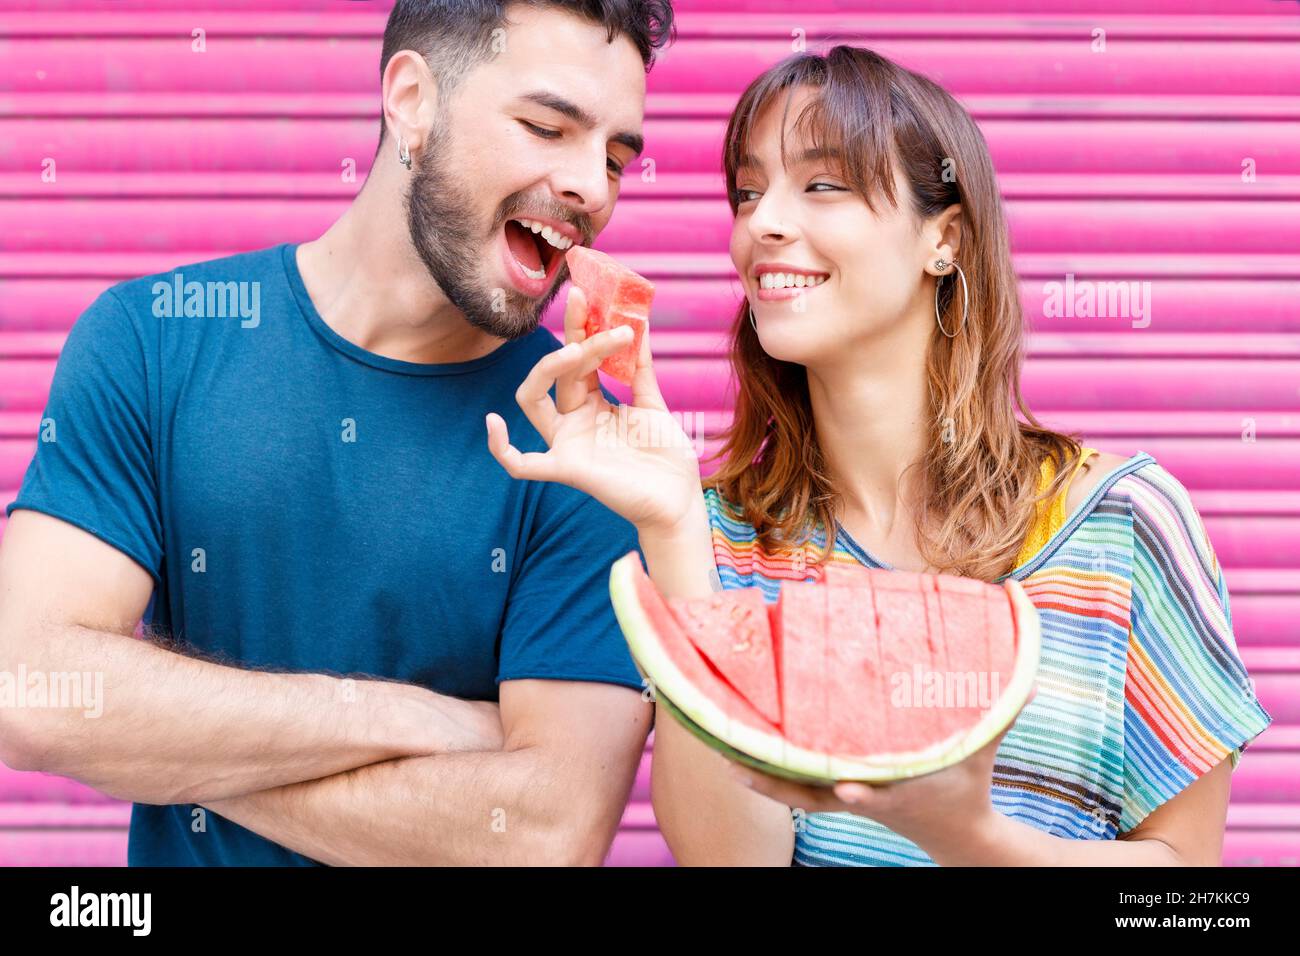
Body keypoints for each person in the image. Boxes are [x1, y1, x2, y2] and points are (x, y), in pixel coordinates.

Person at [486, 45, 1273, 866]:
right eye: (748, 193)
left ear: (945, 237)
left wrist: (967, 837)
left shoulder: (1122, 522)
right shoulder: (720, 539)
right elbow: (734, 861)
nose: (762, 225)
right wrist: (679, 533)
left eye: (822, 184)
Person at [0, 0, 674, 866]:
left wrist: (164, 740)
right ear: (410, 101)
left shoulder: (582, 442)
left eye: (617, 158)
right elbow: (31, 690)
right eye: (548, 127)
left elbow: (543, 835)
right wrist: (399, 716)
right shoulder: (153, 339)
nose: (592, 187)